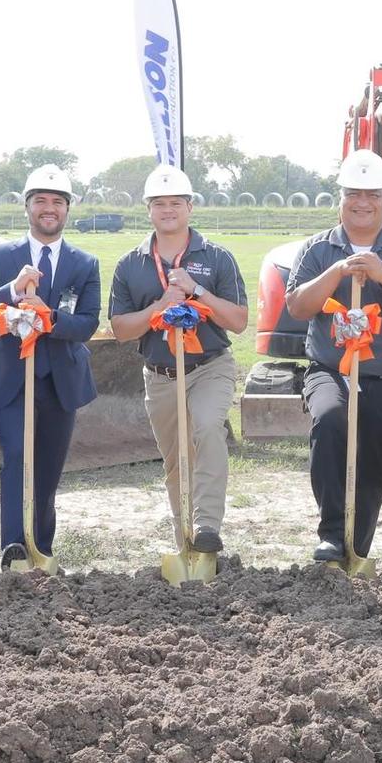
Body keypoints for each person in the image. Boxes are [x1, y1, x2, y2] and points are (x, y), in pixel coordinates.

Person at [285, 149, 382, 562]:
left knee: (372, 457)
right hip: (330, 370)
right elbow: (297, 307)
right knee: (331, 421)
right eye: (354, 193)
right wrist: (336, 272)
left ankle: (358, 545)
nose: (363, 202)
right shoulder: (317, 250)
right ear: (341, 198)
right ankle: (332, 533)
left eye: (372, 194)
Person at [107, 164, 249, 553]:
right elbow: (121, 330)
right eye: (159, 203)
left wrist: (196, 289)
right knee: (175, 460)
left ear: (189, 207)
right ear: (149, 210)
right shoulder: (130, 264)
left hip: (209, 367)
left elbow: (237, 322)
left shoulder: (217, 257)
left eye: (176, 203)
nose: (168, 210)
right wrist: (159, 307)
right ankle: (183, 537)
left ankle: (207, 527)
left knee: (206, 428)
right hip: (160, 374)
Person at [0, 164, 101, 564]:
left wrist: (50, 316)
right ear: (27, 207)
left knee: (47, 469)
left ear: (67, 210)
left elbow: (88, 323)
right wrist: (10, 290)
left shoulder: (84, 263)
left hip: (60, 379)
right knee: (17, 458)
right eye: (40, 200)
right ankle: (14, 547)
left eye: (57, 201)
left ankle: (42, 547)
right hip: (10, 378)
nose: (49, 208)